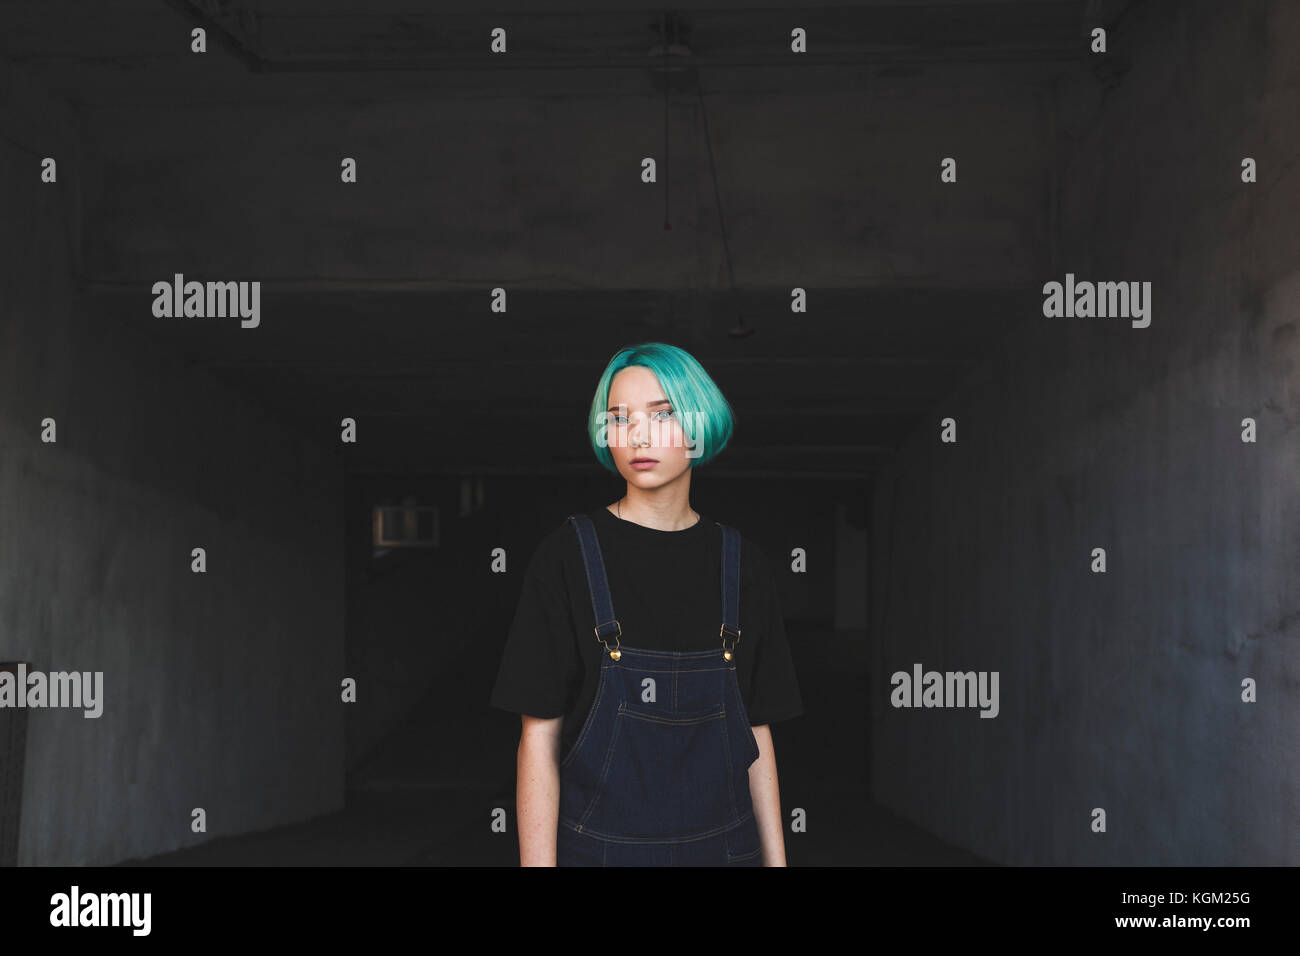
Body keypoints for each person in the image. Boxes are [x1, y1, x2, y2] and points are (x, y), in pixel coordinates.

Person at [489, 342, 803, 866]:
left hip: (726, 853)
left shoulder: (742, 563)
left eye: (663, 415)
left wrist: (776, 863)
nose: (637, 435)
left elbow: (757, 731)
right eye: (618, 418)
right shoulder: (567, 557)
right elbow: (537, 742)